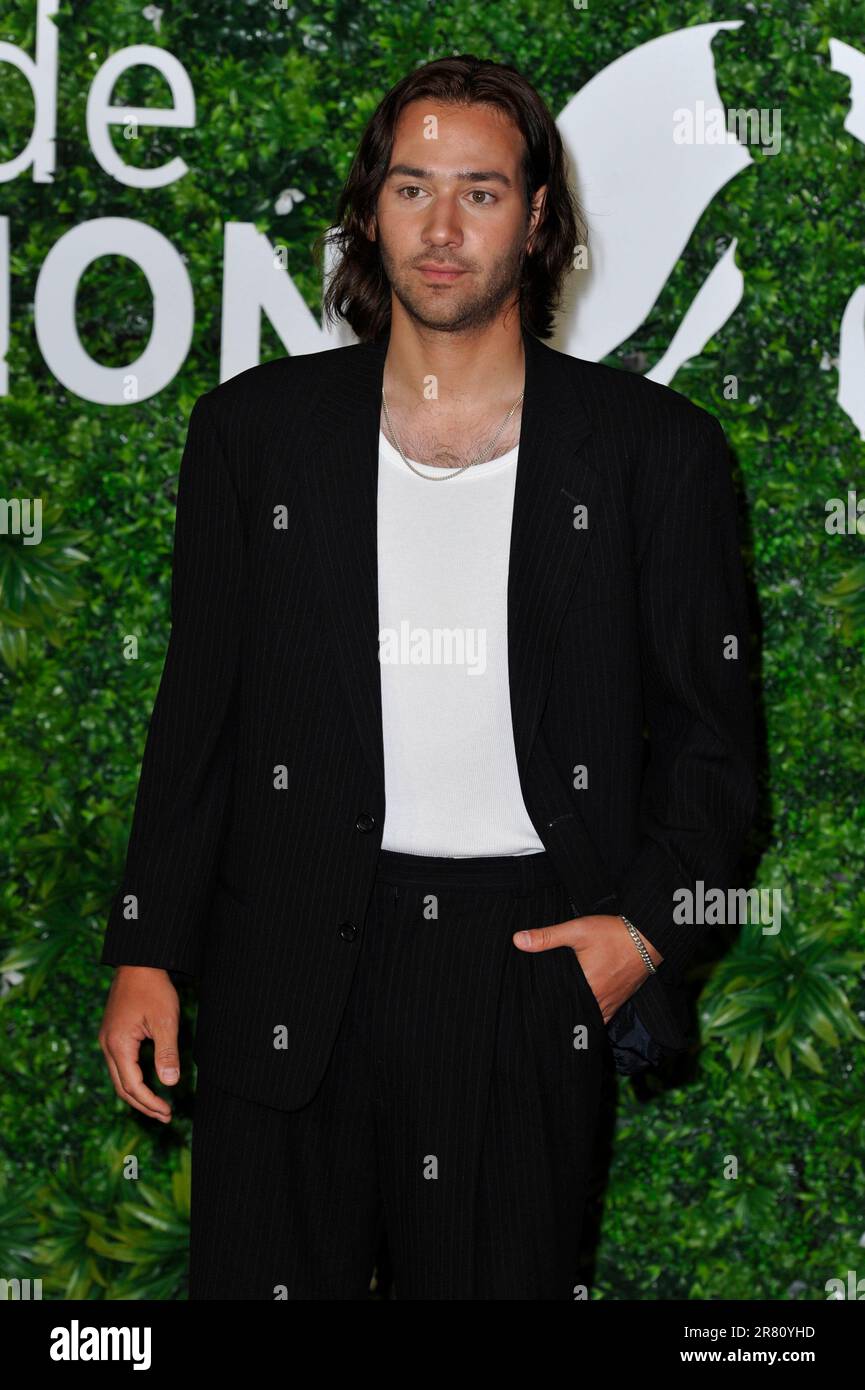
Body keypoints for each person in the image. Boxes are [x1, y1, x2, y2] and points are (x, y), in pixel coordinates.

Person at [98, 53, 757, 1300]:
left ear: (540, 216)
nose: (441, 229)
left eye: (481, 192)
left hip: (523, 965)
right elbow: (200, 718)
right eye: (411, 188)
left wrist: (638, 936)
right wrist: (147, 948)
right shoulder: (255, 436)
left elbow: (716, 752)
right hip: (284, 953)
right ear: (370, 208)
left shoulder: (651, 454)